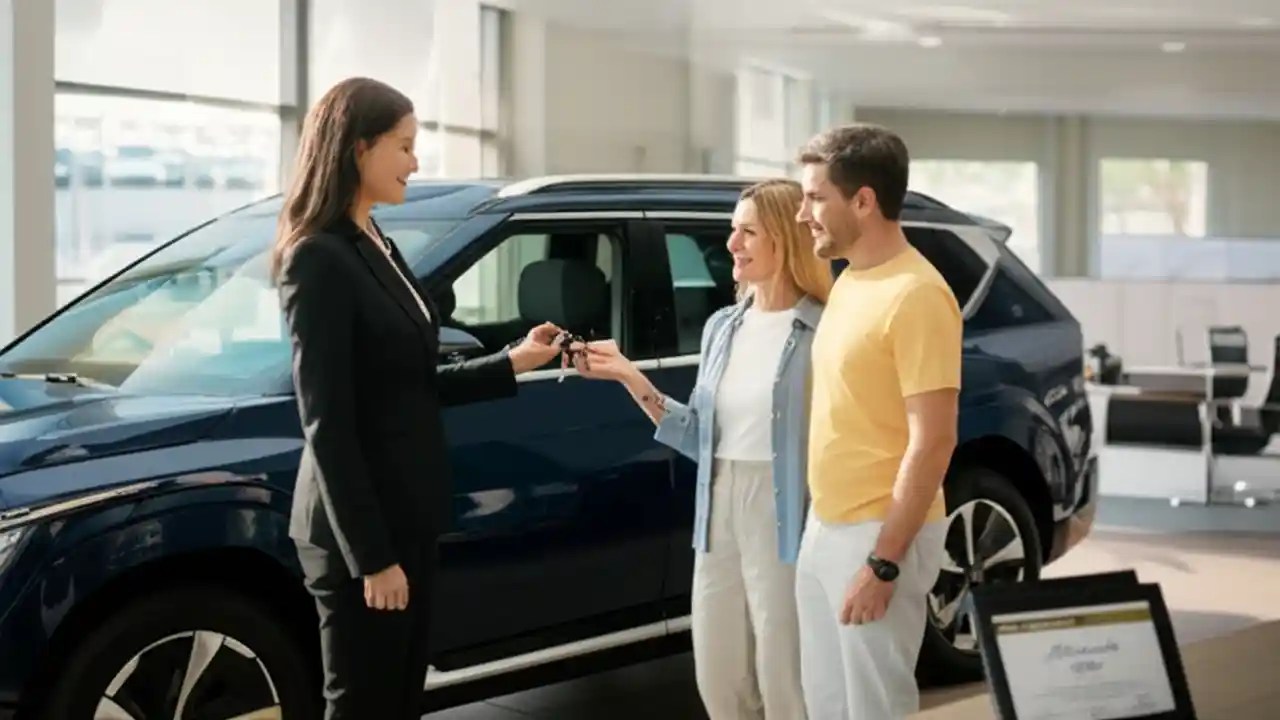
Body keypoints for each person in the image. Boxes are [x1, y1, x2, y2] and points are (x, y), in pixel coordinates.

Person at [272, 77, 563, 719]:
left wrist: (511, 361)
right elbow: (328, 424)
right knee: (362, 703)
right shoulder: (316, 259)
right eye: (403, 147)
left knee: (401, 698)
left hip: (409, 516)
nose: (416, 162)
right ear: (358, 149)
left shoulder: (378, 242)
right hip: (359, 534)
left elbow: (406, 384)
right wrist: (372, 559)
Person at [572, 178, 833, 719]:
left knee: (784, 677)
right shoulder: (723, 328)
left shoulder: (824, 331)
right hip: (716, 508)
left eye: (747, 232)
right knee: (718, 675)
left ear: (786, 239)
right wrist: (627, 375)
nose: (731, 244)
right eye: (732, 230)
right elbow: (699, 437)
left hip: (784, 511)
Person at [792, 123, 960, 719]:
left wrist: (884, 561)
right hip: (828, 525)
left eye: (815, 198)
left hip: (877, 533)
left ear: (863, 200)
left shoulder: (917, 295)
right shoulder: (853, 282)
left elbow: (934, 441)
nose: (802, 214)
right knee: (827, 705)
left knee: (874, 709)